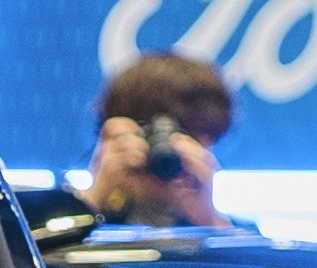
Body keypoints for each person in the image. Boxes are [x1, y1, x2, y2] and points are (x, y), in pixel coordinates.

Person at [86, 48, 234, 227]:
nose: (164, 151)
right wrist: (93, 199)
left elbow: (249, 253)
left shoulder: (239, 239)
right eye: (152, 135)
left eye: (185, 135)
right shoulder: (59, 219)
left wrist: (210, 221)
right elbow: (46, 248)